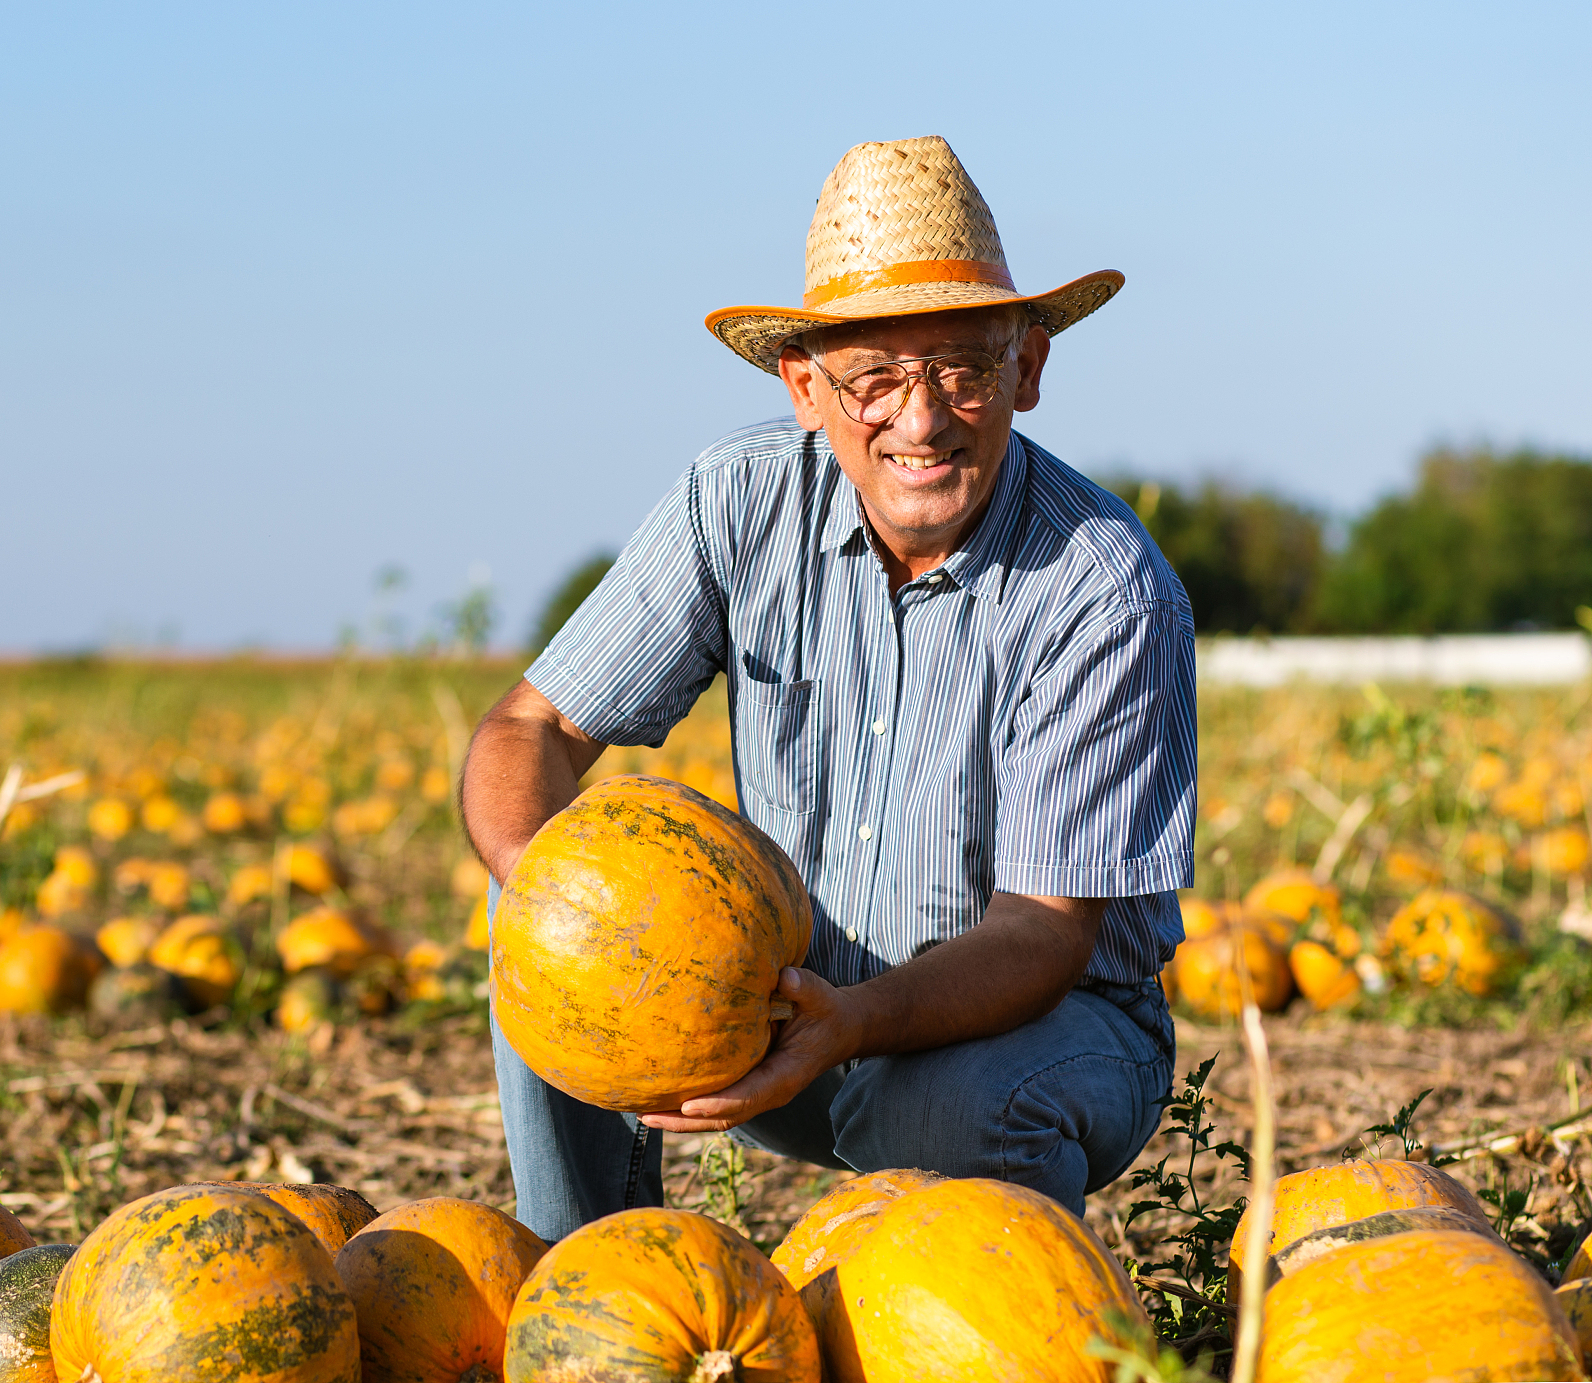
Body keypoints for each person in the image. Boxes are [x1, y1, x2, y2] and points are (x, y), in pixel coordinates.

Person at [461, 137, 1195, 1242]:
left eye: (960, 366)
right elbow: (530, 727)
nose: (920, 418)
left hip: (1029, 1028)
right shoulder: (738, 501)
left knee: (955, 1104)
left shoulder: (1100, 590)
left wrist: (851, 1023)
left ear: (1025, 370)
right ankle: (597, 1279)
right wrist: (565, 901)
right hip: (783, 1009)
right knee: (545, 908)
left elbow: (1043, 934)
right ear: (805, 388)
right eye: (873, 379)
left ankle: (972, 1318)